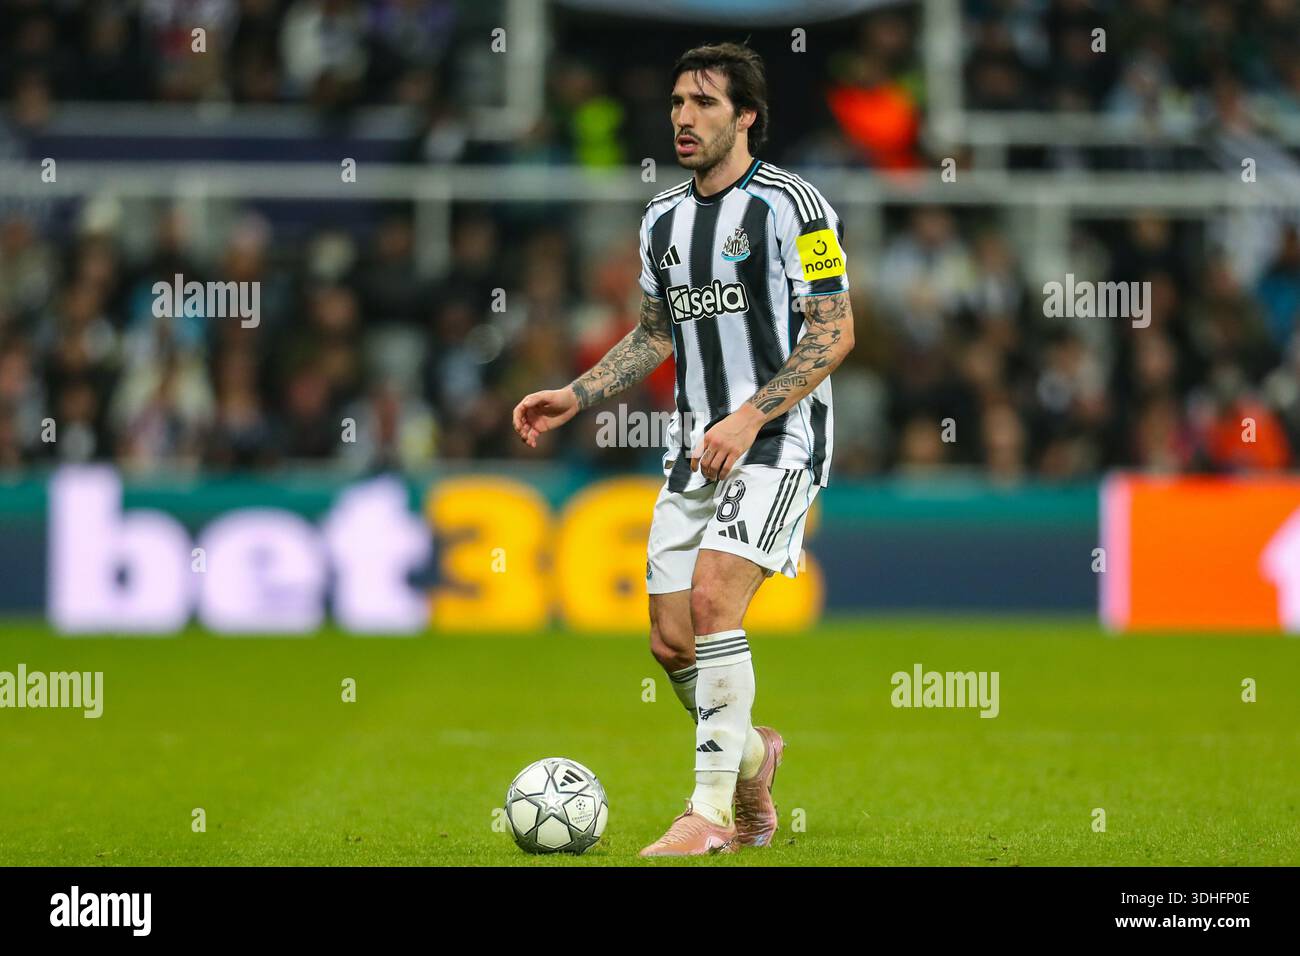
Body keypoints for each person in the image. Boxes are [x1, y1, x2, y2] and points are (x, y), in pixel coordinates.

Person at [512, 41, 856, 857]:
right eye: (676, 104)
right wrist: (579, 392)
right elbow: (657, 332)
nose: (683, 118)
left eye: (703, 104)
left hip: (775, 440)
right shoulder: (662, 219)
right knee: (670, 641)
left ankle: (709, 816)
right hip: (693, 449)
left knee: (712, 605)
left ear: (746, 117)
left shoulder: (795, 206)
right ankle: (751, 758)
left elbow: (835, 330)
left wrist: (747, 419)